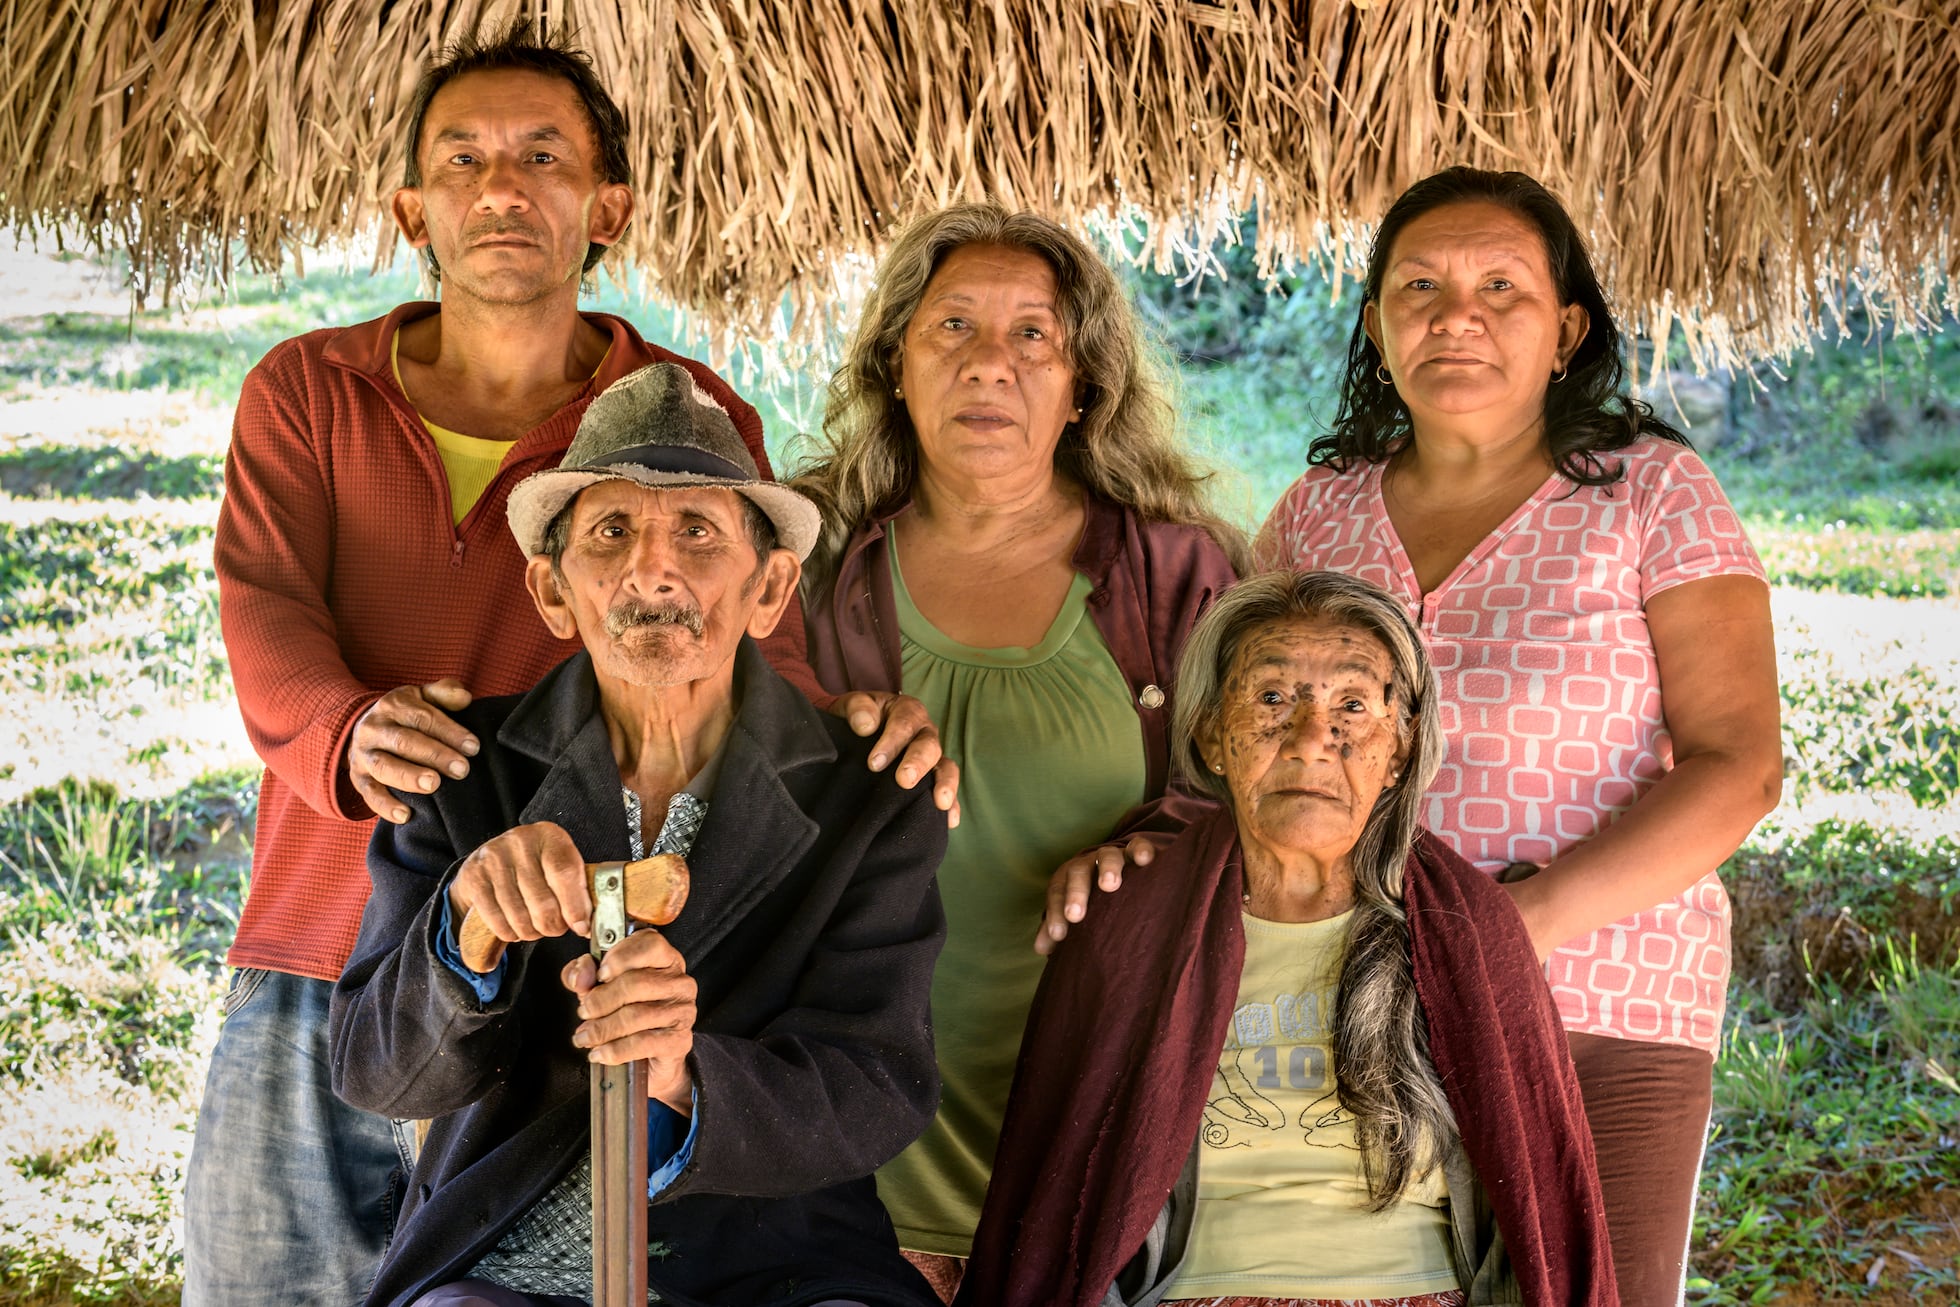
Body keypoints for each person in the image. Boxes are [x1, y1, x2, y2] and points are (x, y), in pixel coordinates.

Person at [191, 24, 950, 1306]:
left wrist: (855, 732)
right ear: (412, 209)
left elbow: (745, 631)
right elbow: (262, 610)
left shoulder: (672, 411)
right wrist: (350, 733)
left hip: (571, 957)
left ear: (608, 207)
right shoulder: (310, 389)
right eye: (464, 159)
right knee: (275, 1265)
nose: (501, 188)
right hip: (338, 898)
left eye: (543, 157)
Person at [1249, 168, 1782, 1305]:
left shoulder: (1651, 494)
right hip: (1350, 1001)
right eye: (1421, 287)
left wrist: (1515, 927)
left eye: (1502, 287)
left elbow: (1739, 764)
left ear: (1567, 330)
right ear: (1376, 323)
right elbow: (1246, 744)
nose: (1458, 316)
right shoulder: (1316, 516)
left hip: (1602, 1004)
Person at [330, 362, 947, 1307]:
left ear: (770, 588)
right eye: (611, 531)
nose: (652, 569)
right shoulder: (465, 774)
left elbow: (877, 1082)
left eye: (697, 531)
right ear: (552, 591)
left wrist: (688, 1077)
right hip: (506, 1267)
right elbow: (376, 1071)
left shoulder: (867, 796)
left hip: (778, 1270)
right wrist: (466, 929)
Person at [792, 202, 1244, 1290]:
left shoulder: (1177, 575)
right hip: (855, 1138)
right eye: (952, 325)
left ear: (1084, 383)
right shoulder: (809, 564)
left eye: (1032, 333)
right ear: (895, 363)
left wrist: (1153, 844)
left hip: (1103, 1134)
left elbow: (1256, 806)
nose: (989, 362)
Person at [963, 570, 1618, 1307]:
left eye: (1352, 707)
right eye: (1272, 698)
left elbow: (1545, 1212)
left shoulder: (1467, 931)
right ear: (1212, 733)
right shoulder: (1132, 928)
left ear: (1400, 748)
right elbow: (1056, 1218)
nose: (1310, 742)